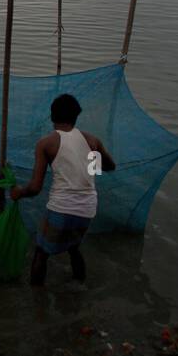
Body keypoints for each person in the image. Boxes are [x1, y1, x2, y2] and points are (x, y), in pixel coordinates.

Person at [9, 93, 115, 285]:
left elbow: (35, 188)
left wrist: (18, 192)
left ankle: (37, 304)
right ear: (76, 116)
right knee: (74, 247)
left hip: (62, 207)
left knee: (41, 253)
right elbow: (109, 166)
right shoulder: (92, 140)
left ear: (51, 117)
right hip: (88, 208)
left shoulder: (46, 144)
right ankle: (79, 288)